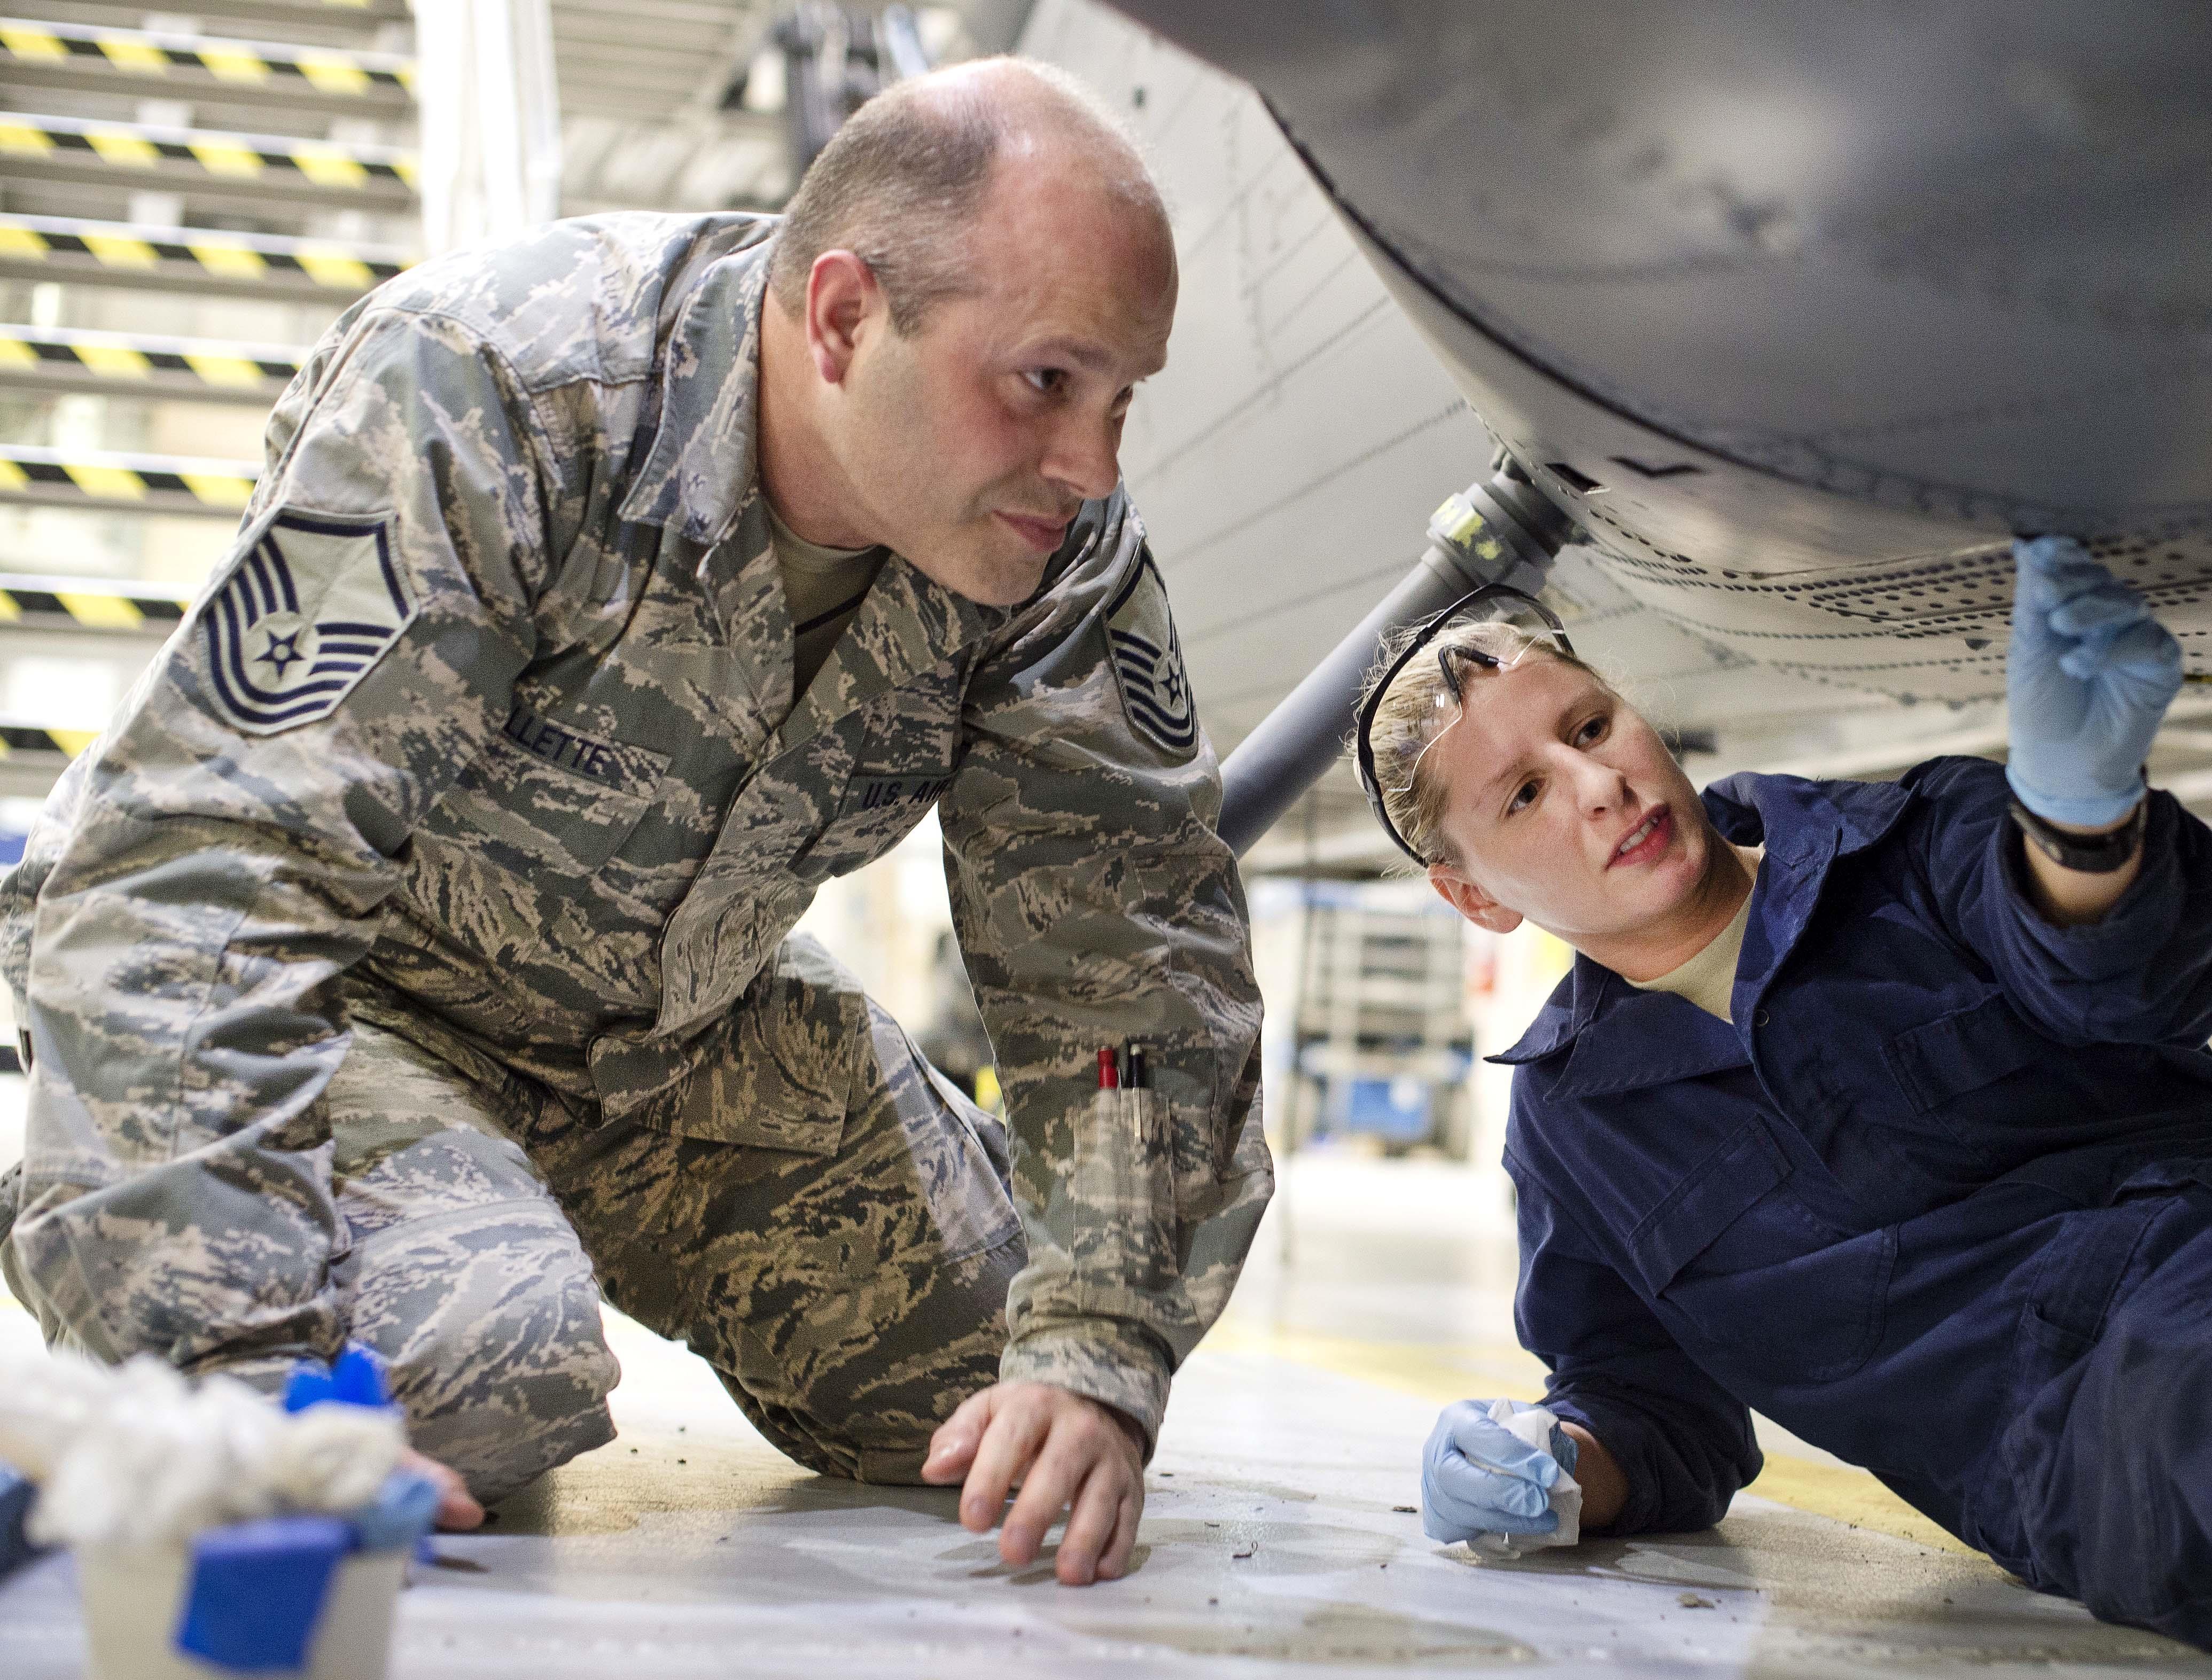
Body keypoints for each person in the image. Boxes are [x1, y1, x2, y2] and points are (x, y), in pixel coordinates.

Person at [0, 58, 1271, 1589]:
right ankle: (107, 1206)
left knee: (1012, 1389)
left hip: (675, 1029)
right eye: (1045, 382)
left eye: (1121, 398)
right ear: (846, 316)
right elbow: (202, 872)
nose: (1094, 466)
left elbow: (1128, 969)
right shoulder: (501, 385)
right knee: (462, 1373)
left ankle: (504, 1220)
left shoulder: (1050, 548)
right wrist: (237, 1364)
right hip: (365, 1009)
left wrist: (1101, 1349)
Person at [1359, 537, 2212, 1677]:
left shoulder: (1910, 839)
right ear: (1473, 895)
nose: (1599, 786)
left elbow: (2144, 979)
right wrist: (1558, 1464)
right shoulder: (1579, 1133)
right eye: (1524, 795)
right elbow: (1652, 1406)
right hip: (2120, 1395)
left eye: (1590, 725)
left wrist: (2080, 829)